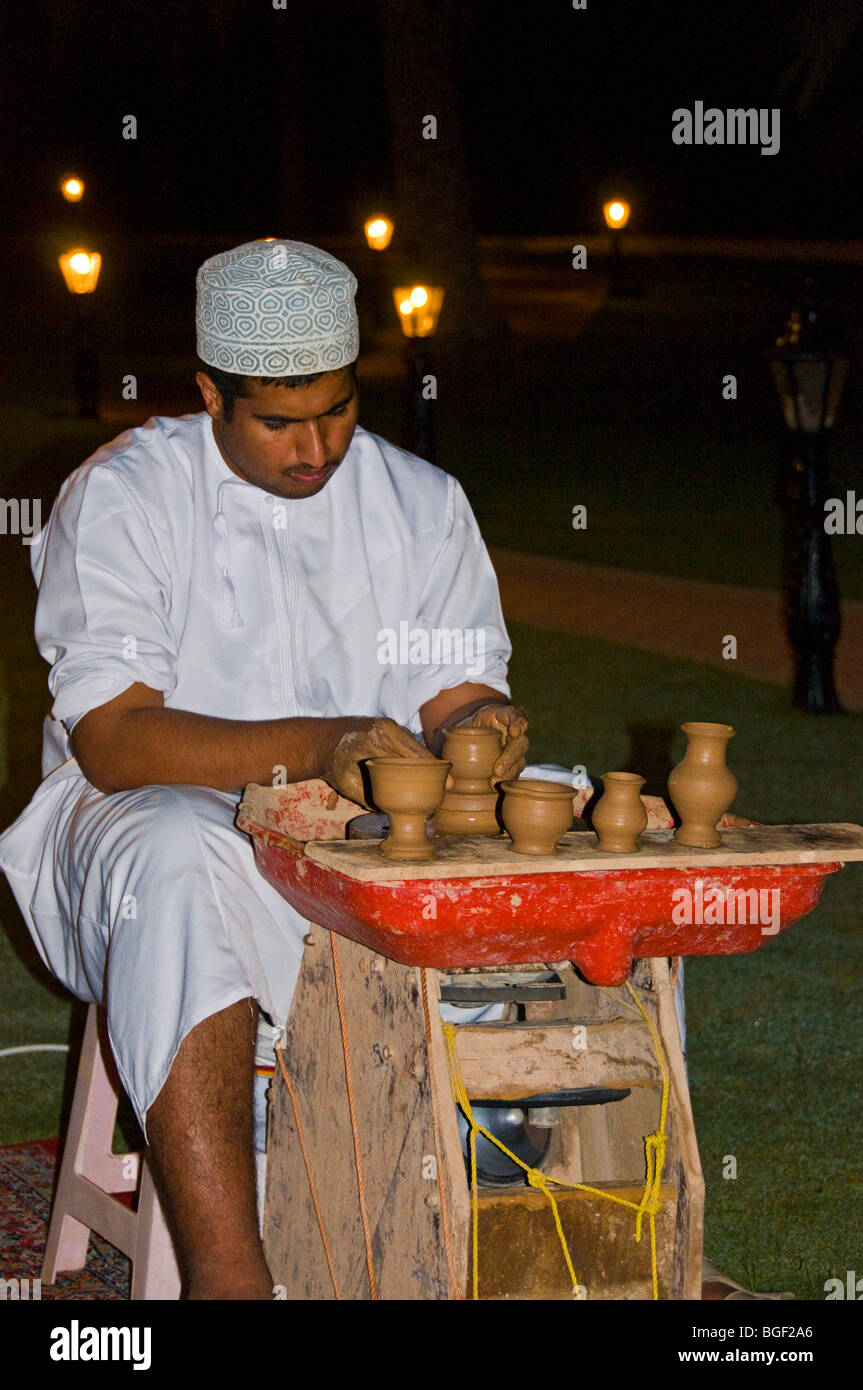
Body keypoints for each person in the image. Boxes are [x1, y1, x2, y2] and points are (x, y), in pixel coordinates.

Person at [0, 239, 529, 1300]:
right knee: (180, 847)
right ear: (208, 393)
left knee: (561, 821)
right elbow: (112, 739)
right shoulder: (125, 495)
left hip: (353, 847)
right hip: (131, 833)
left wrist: (487, 722)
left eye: (334, 409)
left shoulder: (418, 501)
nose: (316, 446)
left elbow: (454, 690)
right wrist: (322, 745)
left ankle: (515, 1218)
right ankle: (228, 1277)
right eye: (278, 420)